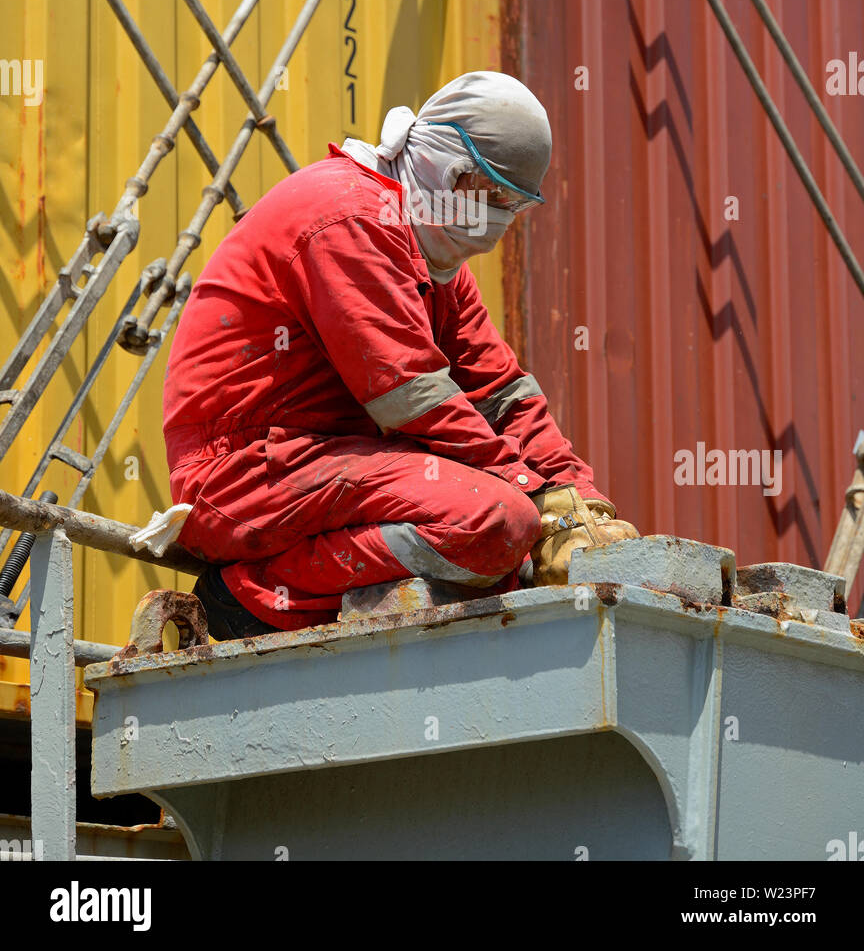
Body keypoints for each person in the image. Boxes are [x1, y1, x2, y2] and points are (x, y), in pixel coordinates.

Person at [160, 71, 637, 640]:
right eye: (486, 193)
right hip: (247, 472)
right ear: (442, 159)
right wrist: (537, 498)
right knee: (498, 523)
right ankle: (255, 593)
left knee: (523, 541)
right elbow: (410, 395)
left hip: (331, 462)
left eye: (512, 204)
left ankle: (315, 580)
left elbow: (503, 393)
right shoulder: (346, 217)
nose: (494, 218)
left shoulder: (436, 266)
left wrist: (583, 500)